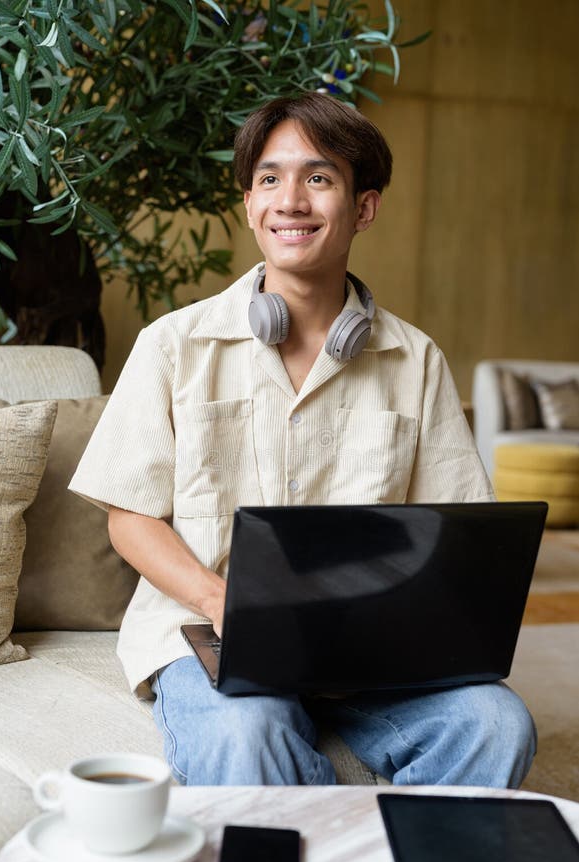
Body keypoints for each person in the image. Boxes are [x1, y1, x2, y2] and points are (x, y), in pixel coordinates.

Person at [70, 92, 536, 788]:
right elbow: (129, 515)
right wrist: (215, 599)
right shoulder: (174, 344)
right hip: (209, 634)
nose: (289, 200)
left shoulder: (416, 360)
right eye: (267, 178)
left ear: (363, 206)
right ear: (250, 202)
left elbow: (451, 529)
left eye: (318, 178)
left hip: (370, 649)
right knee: (245, 729)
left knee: (496, 723)